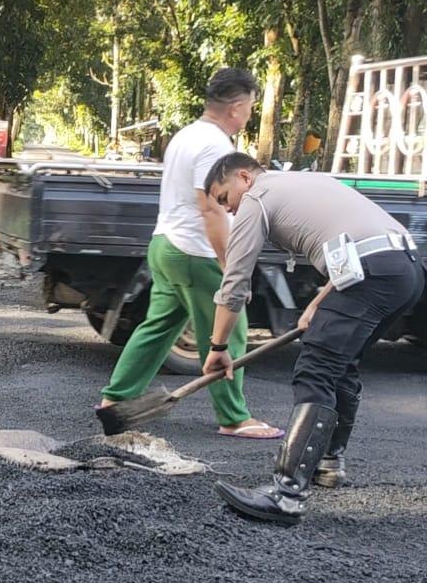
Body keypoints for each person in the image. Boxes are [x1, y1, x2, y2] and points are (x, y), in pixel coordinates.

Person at [204, 152, 423, 525]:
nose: (228, 210)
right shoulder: (309, 181)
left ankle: (286, 495)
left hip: (371, 272)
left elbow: (235, 283)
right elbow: (351, 246)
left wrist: (218, 347)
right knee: (339, 364)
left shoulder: (257, 198)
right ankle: (328, 463)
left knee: (315, 368)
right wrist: (317, 304)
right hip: (406, 269)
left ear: (244, 177)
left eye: (225, 198)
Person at [96, 68, 282, 439]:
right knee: (231, 329)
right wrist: (231, 264)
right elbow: (211, 207)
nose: (249, 116)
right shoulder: (216, 145)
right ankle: (233, 417)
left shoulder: (186, 135)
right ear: (238, 106)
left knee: (158, 327)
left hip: (165, 244)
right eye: (249, 108)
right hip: (196, 251)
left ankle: (115, 400)